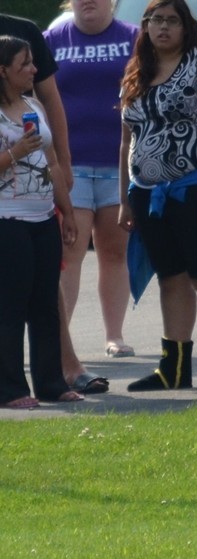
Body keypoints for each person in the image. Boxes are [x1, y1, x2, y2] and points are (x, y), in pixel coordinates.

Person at [118, 0, 197, 392]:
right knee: (171, 279)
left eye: (172, 21)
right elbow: (128, 139)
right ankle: (172, 370)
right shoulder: (137, 70)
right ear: (145, 26)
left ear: (186, 27)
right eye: (156, 20)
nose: (163, 28)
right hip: (146, 194)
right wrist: (125, 198)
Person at [0, 11, 107, 396]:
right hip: (6, 219)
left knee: (45, 303)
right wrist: (15, 152)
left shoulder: (34, 106)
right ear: (3, 71)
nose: (34, 69)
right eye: (25, 64)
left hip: (42, 215)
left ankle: (51, 382)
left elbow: (52, 161)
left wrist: (66, 208)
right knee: (10, 307)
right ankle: (11, 389)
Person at [45, 0, 139, 360]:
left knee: (114, 252)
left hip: (120, 164)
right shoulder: (53, 39)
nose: (89, 1)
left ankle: (114, 336)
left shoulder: (134, 39)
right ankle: (59, 340)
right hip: (70, 165)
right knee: (69, 252)